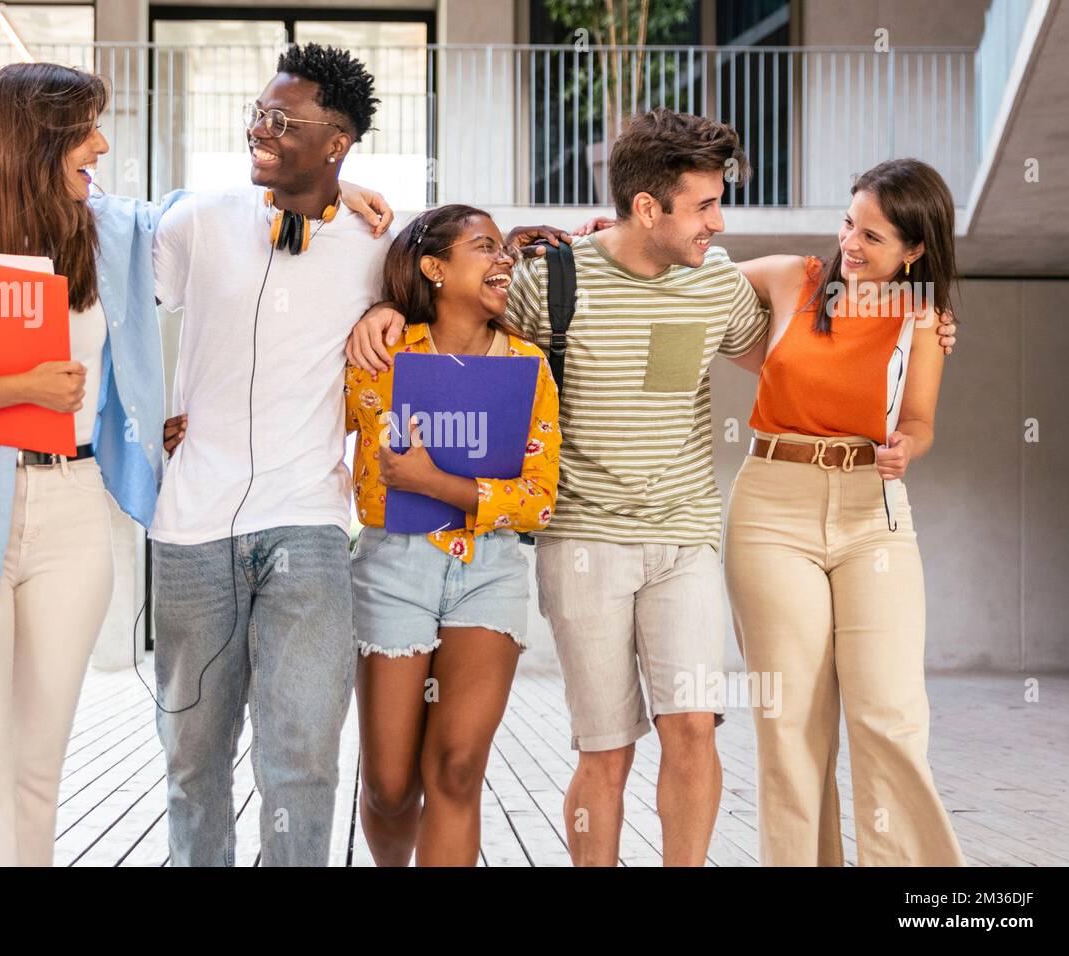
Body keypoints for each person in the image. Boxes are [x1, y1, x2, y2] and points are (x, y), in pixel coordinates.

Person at [348, 110, 959, 868]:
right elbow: (456, 308)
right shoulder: (549, 282)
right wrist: (382, 308)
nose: (718, 221)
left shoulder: (715, 286)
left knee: (694, 729)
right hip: (582, 543)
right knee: (605, 753)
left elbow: (811, 329)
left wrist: (921, 313)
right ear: (648, 208)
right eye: (704, 205)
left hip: (686, 540)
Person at [0, 61, 392, 867]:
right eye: (85, 129)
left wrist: (358, 216)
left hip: (131, 509)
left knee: (50, 773)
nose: (103, 144)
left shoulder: (119, 231)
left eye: (285, 120)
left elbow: (429, 264)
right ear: (40, 137)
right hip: (11, 512)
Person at [148, 43, 391, 867]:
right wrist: (155, 420)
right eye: (259, 112)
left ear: (337, 144)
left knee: (303, 764)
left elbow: (473, 268)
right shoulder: (199, 221)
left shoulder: (374, 249)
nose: (261, 127)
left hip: (312, 530)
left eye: (284, 121)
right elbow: (107, 289)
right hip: (189, 533)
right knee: (192, 765)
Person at [721, 158, 966, 866]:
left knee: (888, 715)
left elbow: (919, 419)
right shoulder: (791, 278)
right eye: (848, 223)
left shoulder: (922, 318)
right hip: (773, 505)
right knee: (789, 722)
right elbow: (690, 284)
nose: (851, 245)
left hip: (872, 513)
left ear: (915, 250)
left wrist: (905, 448)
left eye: (875, 236)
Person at [345, 205, 560, 866]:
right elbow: (303, 423)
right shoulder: (383, 353)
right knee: (388, 785)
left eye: (504, 250)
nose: (503, 260)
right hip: (392, 566)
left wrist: (437, 483)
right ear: (434, 268)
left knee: (458, 770)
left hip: (489, 571)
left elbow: (538, 503)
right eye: (483, 247)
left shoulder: (529, 367)